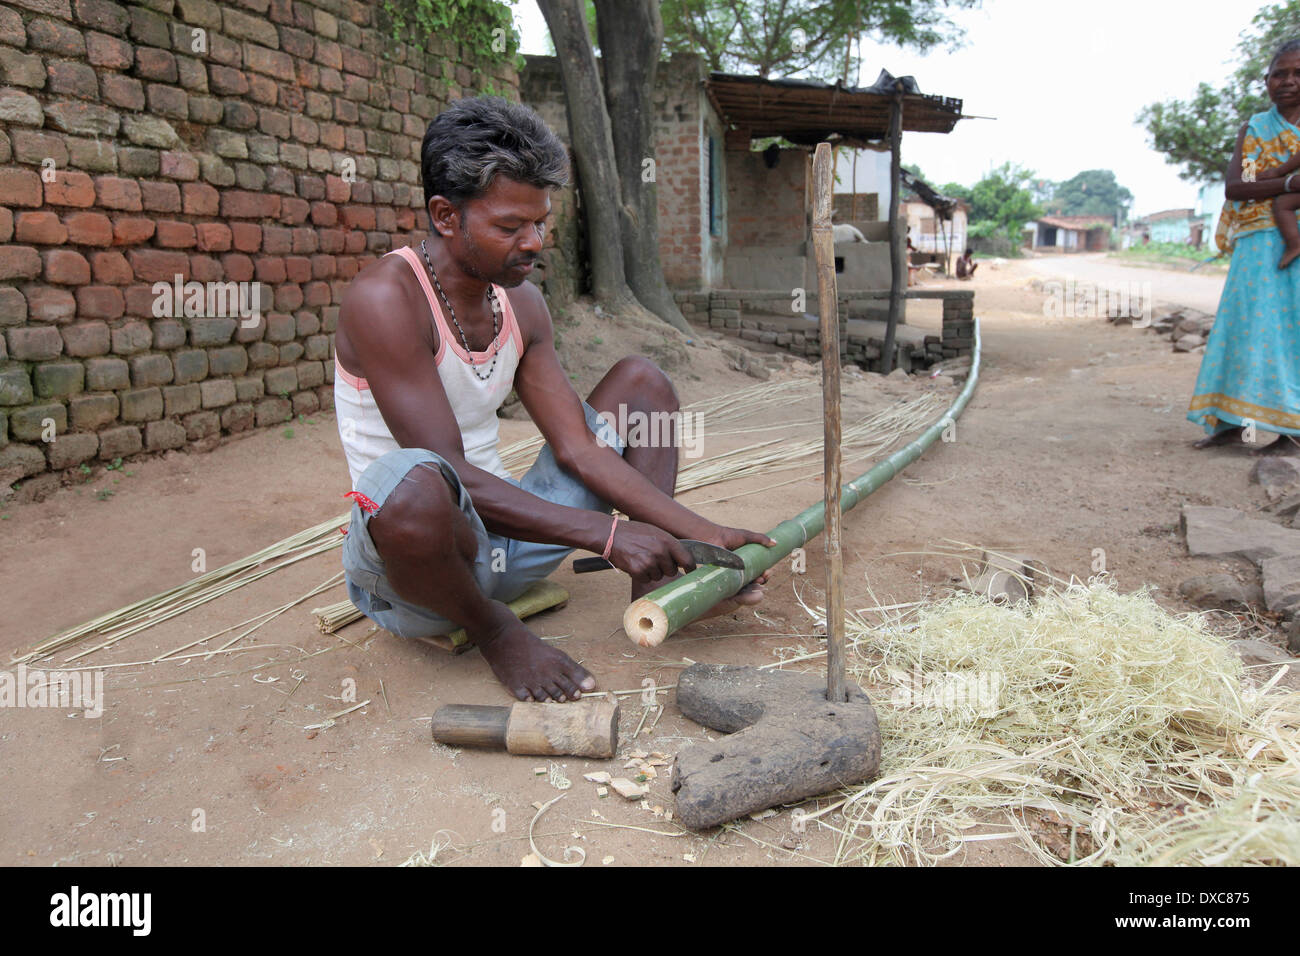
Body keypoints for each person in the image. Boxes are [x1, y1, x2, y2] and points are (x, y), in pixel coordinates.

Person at [332, 97, 775, 703]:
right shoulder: (385, 298)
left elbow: (580, 450)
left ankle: (659, 582)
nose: (533, 242)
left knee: (641, 385)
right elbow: (450, 470)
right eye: (509, 227)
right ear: (445, 215)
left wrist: (700, 533)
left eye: (540, 223)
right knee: (411, 482)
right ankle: (495, 632)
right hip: (426, 579)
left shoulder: (520, 303)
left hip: (508, 553)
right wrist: (609, 536)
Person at [1189, 40, 1300, 455]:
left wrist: (1272, 189)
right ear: (1266, 81)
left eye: (1298, 73)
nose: (1288, 81)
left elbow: (1255, 186)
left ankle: (1293, 432)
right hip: (1256, 243)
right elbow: (1240, 186)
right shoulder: (1256, 129)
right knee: (1244, 330)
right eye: (1279, 73)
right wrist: (1289, 185)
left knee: (1292, 336)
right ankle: (1231, 423)